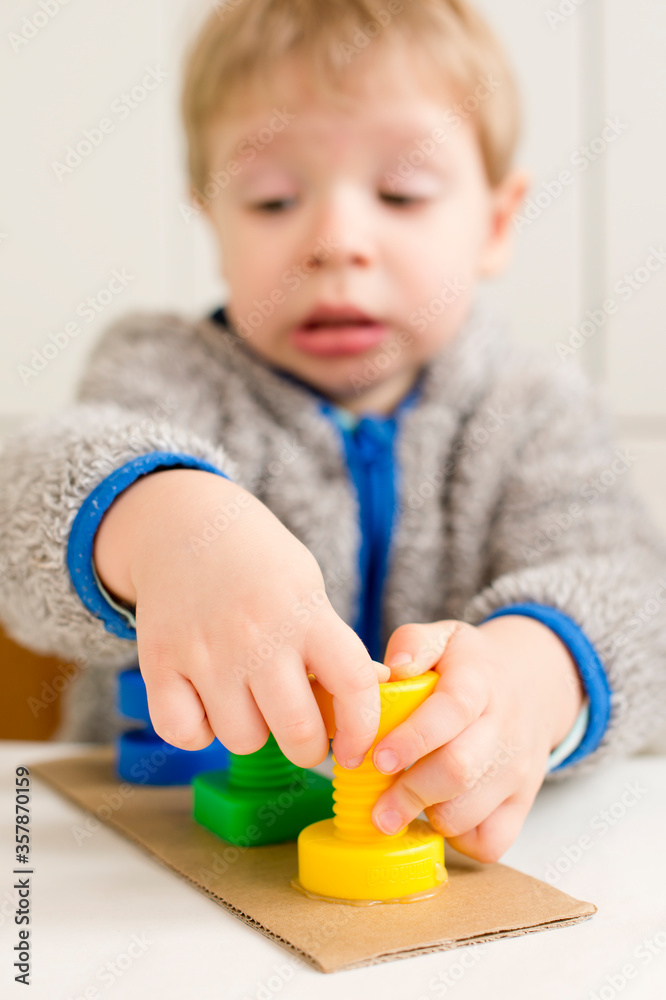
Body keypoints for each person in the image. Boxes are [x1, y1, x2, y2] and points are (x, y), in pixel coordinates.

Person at [1, 0, 665, 864]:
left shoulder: (534, 406)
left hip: (457, 869)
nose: (337, 240)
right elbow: (23, 498)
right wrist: (160, 524)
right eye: (274, 200)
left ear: (496, 222)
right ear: (210, 218)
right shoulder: (161, 371)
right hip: (149, 865)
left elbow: (633, 592)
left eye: (402, 193)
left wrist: (542, 677)